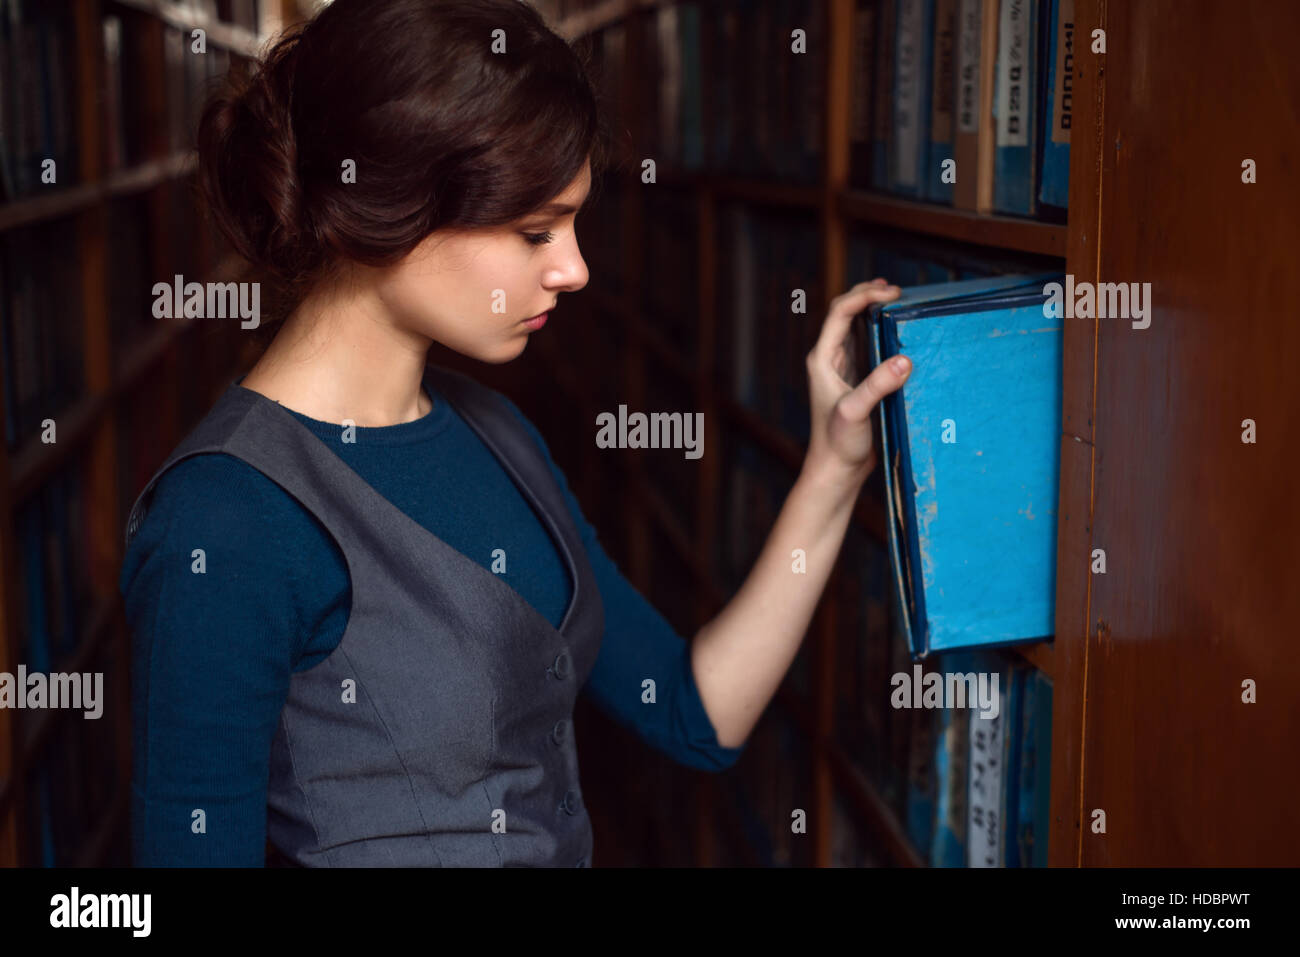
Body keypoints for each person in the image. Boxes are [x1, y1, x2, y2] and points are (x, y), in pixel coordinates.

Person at [118, 0, 910, 867]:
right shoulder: (223, 521)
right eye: (535, 230)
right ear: (387, 206)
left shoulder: (495, 430)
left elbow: (693, 712)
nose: (574, 269)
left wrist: (834, 467)